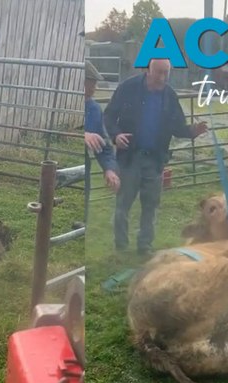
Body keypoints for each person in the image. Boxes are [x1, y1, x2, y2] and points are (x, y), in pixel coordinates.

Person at [103, 58, 208, 256]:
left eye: (165, 73)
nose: (161, 77)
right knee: (123, 203)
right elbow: (108, 116)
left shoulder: (169, 96)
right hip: (130, 157)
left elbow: (178, 127)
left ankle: (145, 246)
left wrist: (193, 131)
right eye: (158, 72)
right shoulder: (129, 88)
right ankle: (122, 247)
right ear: (148, 70)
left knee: (150, 205)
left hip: (155, 159)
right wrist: (116, 135)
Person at [83, 61, 119, 194]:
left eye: (94, 82)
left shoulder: (94, 109)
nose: (94, 87)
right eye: (90, 81)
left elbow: (103, 144)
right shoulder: (65, 101)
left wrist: (109, 169)